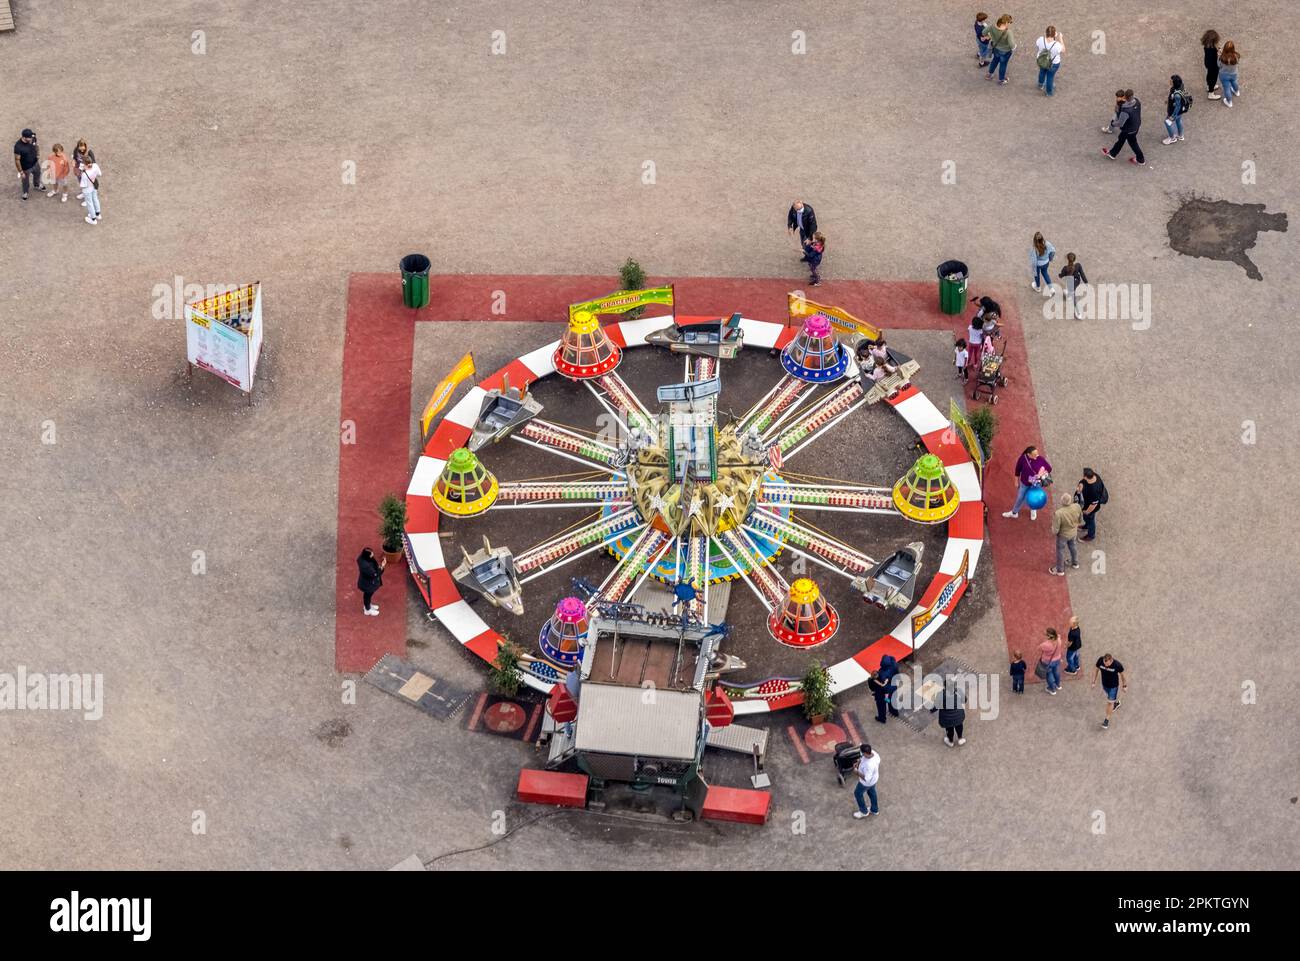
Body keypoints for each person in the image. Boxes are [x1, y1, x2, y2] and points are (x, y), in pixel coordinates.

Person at [1003, 445, 1052, 520]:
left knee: (1035, 498)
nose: (1037, 455)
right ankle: (1014, 513)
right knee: (1020, 498)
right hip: (1024, 483)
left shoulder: (1040, 459)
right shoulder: (1022, 459)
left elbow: (1049, 468)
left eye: (1037, 453)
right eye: (1034, 454)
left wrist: (1040, 474)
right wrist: (1016, 480)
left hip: (1036, 484)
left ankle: (1033, 509)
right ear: (1028, 454)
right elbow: (1017, 470)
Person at [1102, 89, 1144, 165]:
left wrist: (1113, 124)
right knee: (1121, 139)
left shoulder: (1126, 110)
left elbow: (1120, 123)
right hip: (1136, 125)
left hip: (1129, 130)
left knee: (1133, 143)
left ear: (1125, 96)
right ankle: (1112, 153)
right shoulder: (1137, 101)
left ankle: (1141, 159)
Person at [1049, 492, 1082, 575]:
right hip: (1073, 532)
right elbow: (1080, 519)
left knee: (1060, 551)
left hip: (1063, 535)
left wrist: (1053, 530)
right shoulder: (1077, 506)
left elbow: (1055, 530)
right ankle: (1075, 563)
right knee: (1073, 546)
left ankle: (1060, 570)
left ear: (1062, 501)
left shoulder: (1058, 513)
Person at [1092, 652, 1127, 729]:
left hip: (1113, 686)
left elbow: (1123, 675)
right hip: (1105, 685)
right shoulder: (1100, 661)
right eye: (1104, 664)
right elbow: (1096, 669)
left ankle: (1106, 720)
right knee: (1111, 699)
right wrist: (1093, 681)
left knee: (1109, 703)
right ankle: (1116, 703)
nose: (1106, 666)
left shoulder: (1117, 665)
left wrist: (1124, 685)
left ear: (1111, 660)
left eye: (1107, 664)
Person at [930, 679, 967, 746]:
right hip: (959, 715)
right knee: (959, 725)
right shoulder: (958, 691)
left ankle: (950, 741)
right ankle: (960, 738)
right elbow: (965, 700)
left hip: (947, 718)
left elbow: (935, 707)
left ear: (944, 686)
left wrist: (931, 711)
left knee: (949, 728)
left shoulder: (941, 695)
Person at [1076, 467, 1106, 540]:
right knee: (1087, 519)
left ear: (1086, 477)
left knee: (1090, 520)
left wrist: (1087, 511)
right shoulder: (1094, 475)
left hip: (1090, 508)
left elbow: (1094, 504)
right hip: (1087, 503)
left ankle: (1091, 535)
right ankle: (1086, 526)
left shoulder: (1094, 490)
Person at [984, 14, 1015, 85]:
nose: (1010, 24)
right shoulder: (1008, 32)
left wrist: (989, 36)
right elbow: (1012, 45)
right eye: (1010, 22)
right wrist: (1014, 47)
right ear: (1006, 23)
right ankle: (1001, 79)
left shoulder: (992, 26)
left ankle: (989, 74)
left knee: (994, 60)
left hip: (996, 48)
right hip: (1005, 51)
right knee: (1003, 65)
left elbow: (984, 32)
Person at [852, 744, 881, 819]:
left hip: (866, 783)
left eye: (862, 753)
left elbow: (867, 778)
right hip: (874, 780)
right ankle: (874, 810)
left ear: (865, 753)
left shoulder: (869, 765)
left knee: (857, 793)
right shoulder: (874, 754)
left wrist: (857, 772)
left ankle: (863, 811)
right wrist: (859, 762)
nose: (861, 754)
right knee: (872, 792)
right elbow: (863, 758)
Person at [356, 547, 386, 616]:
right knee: (368, 595)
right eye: (371, 554)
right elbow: (375, 574)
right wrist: (382, 567)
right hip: (368, 584)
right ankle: (367, 609)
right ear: (367, 556)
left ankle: (368, 605)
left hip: (367, 582)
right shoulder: (366, 567)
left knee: (368, 595)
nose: (373, 555)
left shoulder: (363, 558)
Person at [1035, 26, 1064, 96]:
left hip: (1042, 60)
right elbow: (1063, 50)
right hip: (1053, 63)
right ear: (1054, 34)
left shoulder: (1040, 39)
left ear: (1046, 33)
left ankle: (1040, 84)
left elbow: (1037, 45)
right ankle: (1049, 92)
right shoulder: (1057, 45)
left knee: (1042, 72)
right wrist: (1060, 38)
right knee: (1050, 77)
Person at [14, 128, 42, 200]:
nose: (31, 138)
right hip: (26, 168)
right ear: (24, 137)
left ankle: (37, 185)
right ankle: (25, 192)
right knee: (25, 181)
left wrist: (38, 154)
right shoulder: (18, 147)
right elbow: (17, 160)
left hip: (35, 163)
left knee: (37, 175)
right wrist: (21, 172)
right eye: (29, 138)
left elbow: (36, 145)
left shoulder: (32, 137)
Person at [1058, 252, 1088, 319]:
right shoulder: (1078, 265)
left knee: (1073, 298)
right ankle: (1068, 294)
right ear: (1074, 259)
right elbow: (1082, 274)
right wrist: (1086, 282)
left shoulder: (1065, 268)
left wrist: (1060, 275)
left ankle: (1078, 313)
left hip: (1070, 283)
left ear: (1067, 259)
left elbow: (1061, 275)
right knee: (1070, 290)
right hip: (1077, 281)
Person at [1163, 75, 1191, 144]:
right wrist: (1169, 100)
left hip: (1175, 111)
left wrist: (1173, 116)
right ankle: (1180, 135)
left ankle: (1172, 138)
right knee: (1178, 120)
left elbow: (1177, 106)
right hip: (1181, 110)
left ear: (1174, 83)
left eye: (1171, 81)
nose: (1169, 81)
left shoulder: (1177, 95)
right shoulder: (1180, 86)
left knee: (1167, 122)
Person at [1039, 628, 1064, 695]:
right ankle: (1058, 685)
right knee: (1056, 672)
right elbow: (1058, 636)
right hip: (1057, 659)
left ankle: (1052, 689)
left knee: (1049, 674)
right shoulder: (1058, 640)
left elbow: (1039, 647)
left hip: (1047, 662)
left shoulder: (1046, 645)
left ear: (1048, 636)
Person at [78, 155, 102, 225]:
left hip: (87, 190)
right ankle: (98, 214)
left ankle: (93, 219)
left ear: (85, 165)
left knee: (89, 203)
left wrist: (82, 172)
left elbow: (83, 185)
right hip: (94, 186)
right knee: (95, 199)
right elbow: (100, 174)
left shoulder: (84, 174)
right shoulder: (95, 166)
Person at [1218, 41, 1240, 108]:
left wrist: (1219, 55)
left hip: (1224, 75)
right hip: (1234, 73)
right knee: (1234, 82)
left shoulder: (1222, 58)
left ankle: (1229, 102)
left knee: (1227, 88)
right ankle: (1236, 91)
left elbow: (1218, 65)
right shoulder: (1236, 56)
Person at [1203, 30, 1222, 99]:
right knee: (1213, 79)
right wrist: (1219, 53)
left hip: (1207, 63)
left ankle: (1209, 86)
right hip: (1213, 65)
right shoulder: (1212, 49)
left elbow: (1216, 48)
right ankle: (1211, 93)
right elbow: (1217, 54)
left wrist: (1218, 48)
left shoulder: (1206, 45)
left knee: (1209, 76)